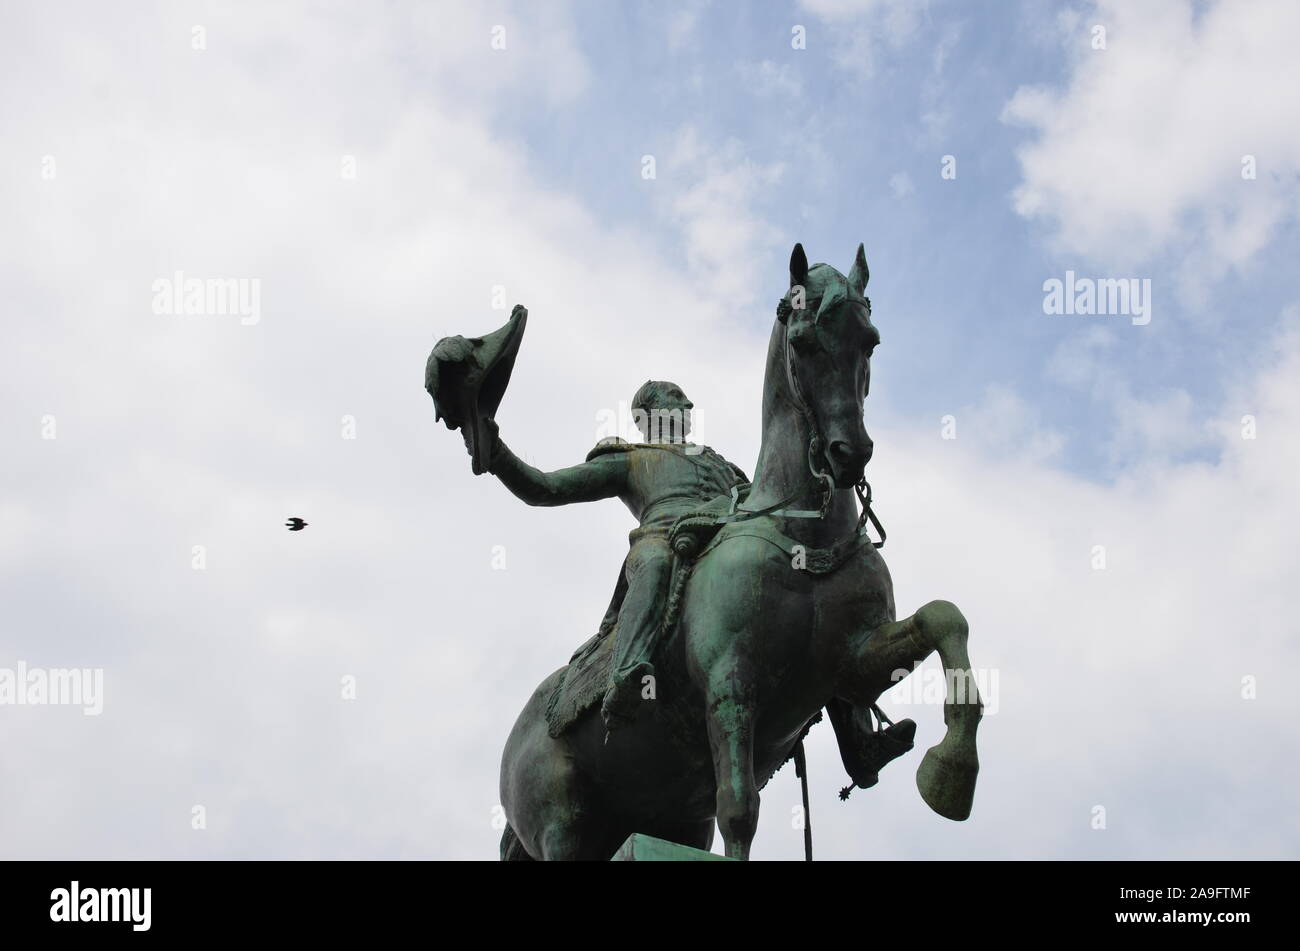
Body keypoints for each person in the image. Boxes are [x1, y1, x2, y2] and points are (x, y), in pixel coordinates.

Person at [477, 380, 748, 729]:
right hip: (661, 539)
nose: (690, 404)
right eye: (678, 397)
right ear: (651, 412)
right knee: (654, 563)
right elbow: (546, 487)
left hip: (725, 534)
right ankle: (627, 672)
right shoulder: (630, 459)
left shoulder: (720, 464)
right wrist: (495, 452)